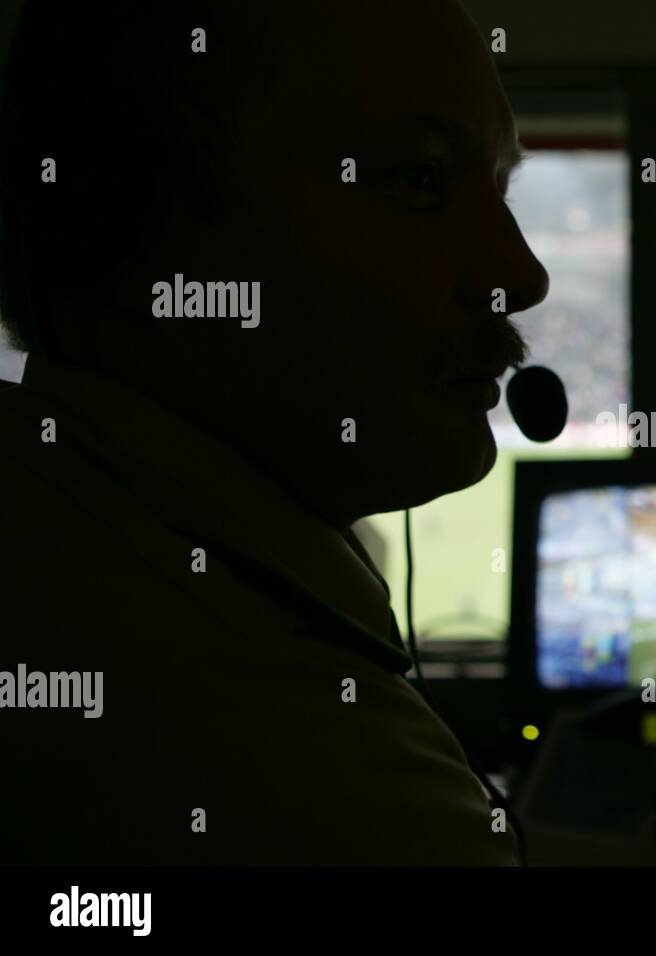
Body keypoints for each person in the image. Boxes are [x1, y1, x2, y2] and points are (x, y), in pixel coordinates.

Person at [0, 0, 548, 864]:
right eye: (419, 178)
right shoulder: (329, 781)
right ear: (138, 222)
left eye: (500, 189)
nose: (520, 273)